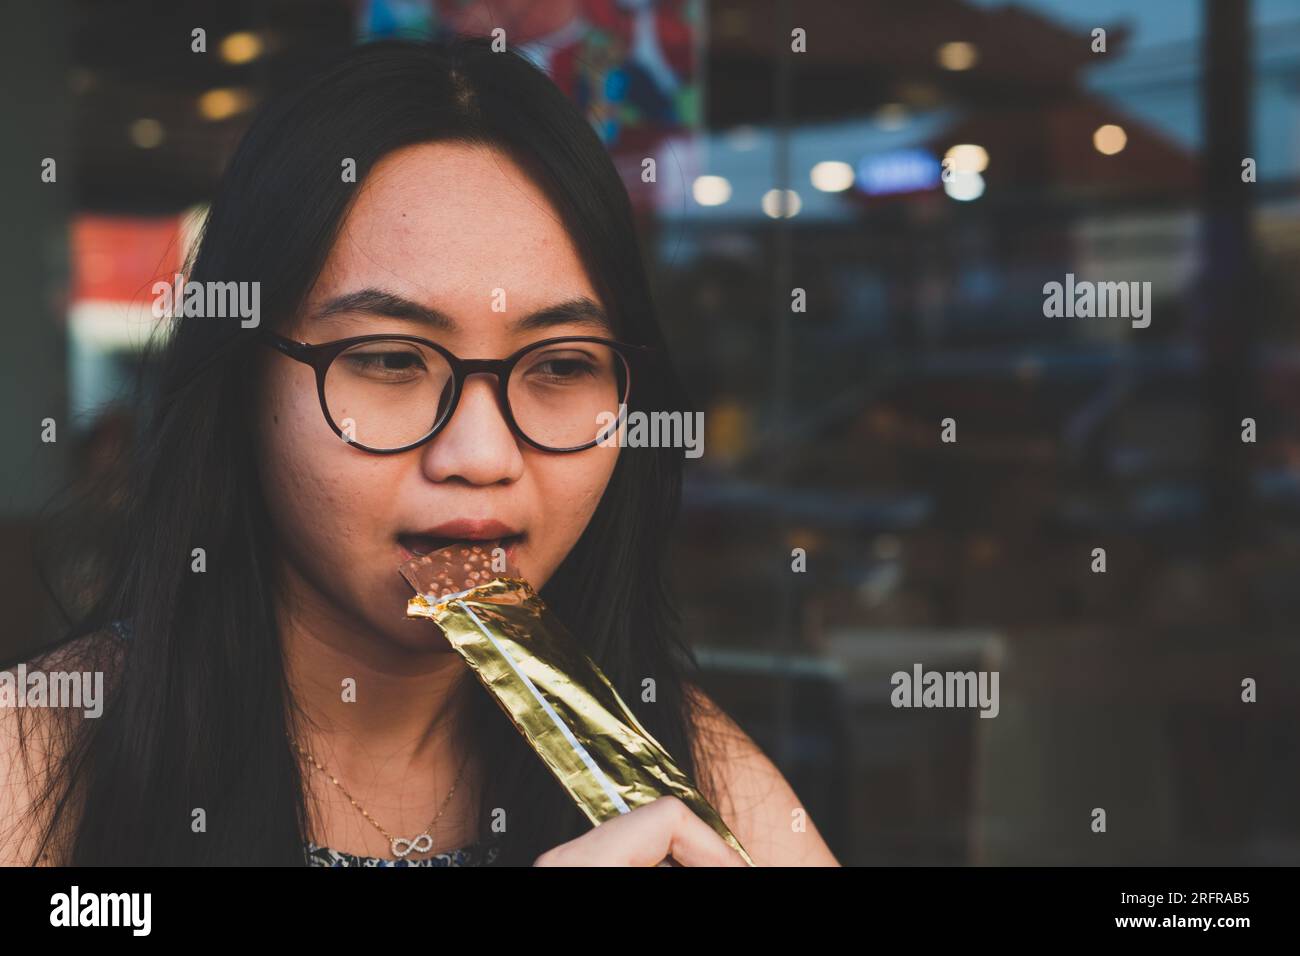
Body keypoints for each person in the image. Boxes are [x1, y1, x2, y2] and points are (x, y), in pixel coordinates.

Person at [0, 36, 838, 867]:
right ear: (241, 383)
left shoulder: (700, 775)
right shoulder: (35, 761)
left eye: (560, 366)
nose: (481, 454)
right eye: (392, 360)